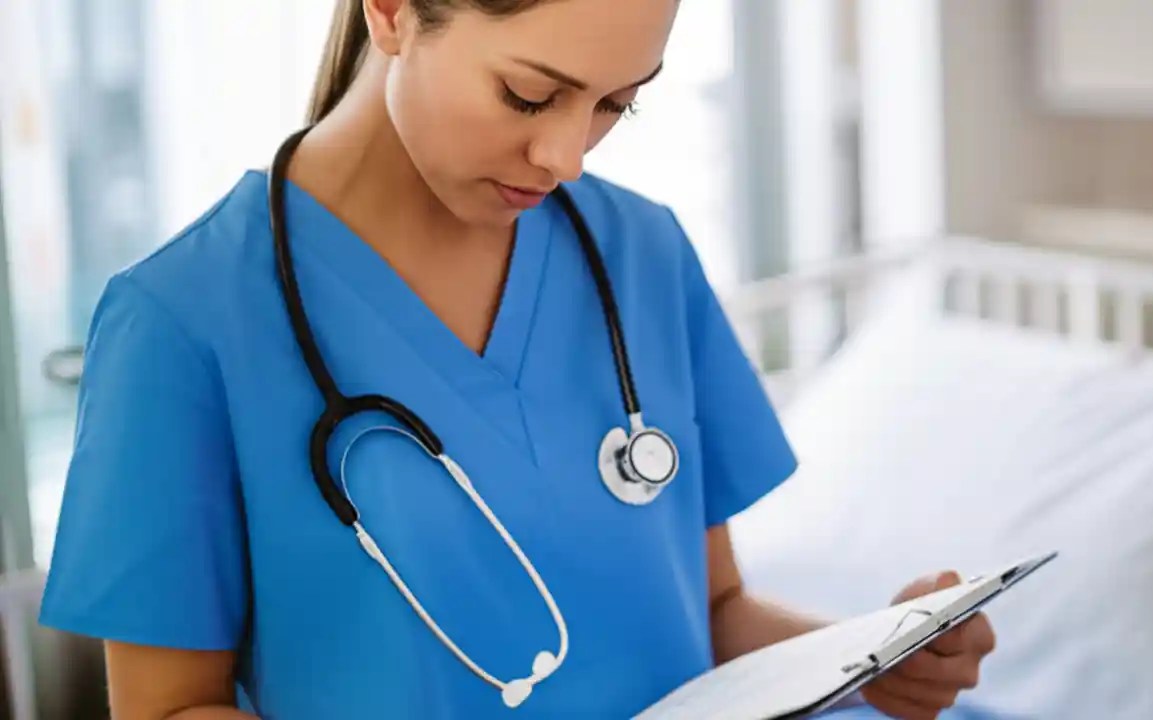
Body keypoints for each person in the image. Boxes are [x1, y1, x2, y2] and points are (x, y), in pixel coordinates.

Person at [37, 1, 996, 718]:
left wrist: (873, 660)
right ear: (392, 12)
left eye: (617, 104)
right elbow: (167, 708)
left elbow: (714, 610)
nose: (566, 154)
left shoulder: (642, 255)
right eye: (529, 95)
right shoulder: (181, 322)